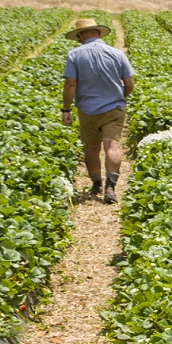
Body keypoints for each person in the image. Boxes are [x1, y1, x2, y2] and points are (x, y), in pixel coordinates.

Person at [60, 16, 135, 204]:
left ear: (82, 35)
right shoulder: (117, 54)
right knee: (113, 145)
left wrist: (66, 108)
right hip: (114, 107)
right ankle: (111, 185)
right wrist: (120, 97)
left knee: (92, 147)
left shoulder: (75, 55)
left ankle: (96, 184)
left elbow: (70, 83)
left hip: (87, 109)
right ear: (98, 33)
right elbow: (129, 83)